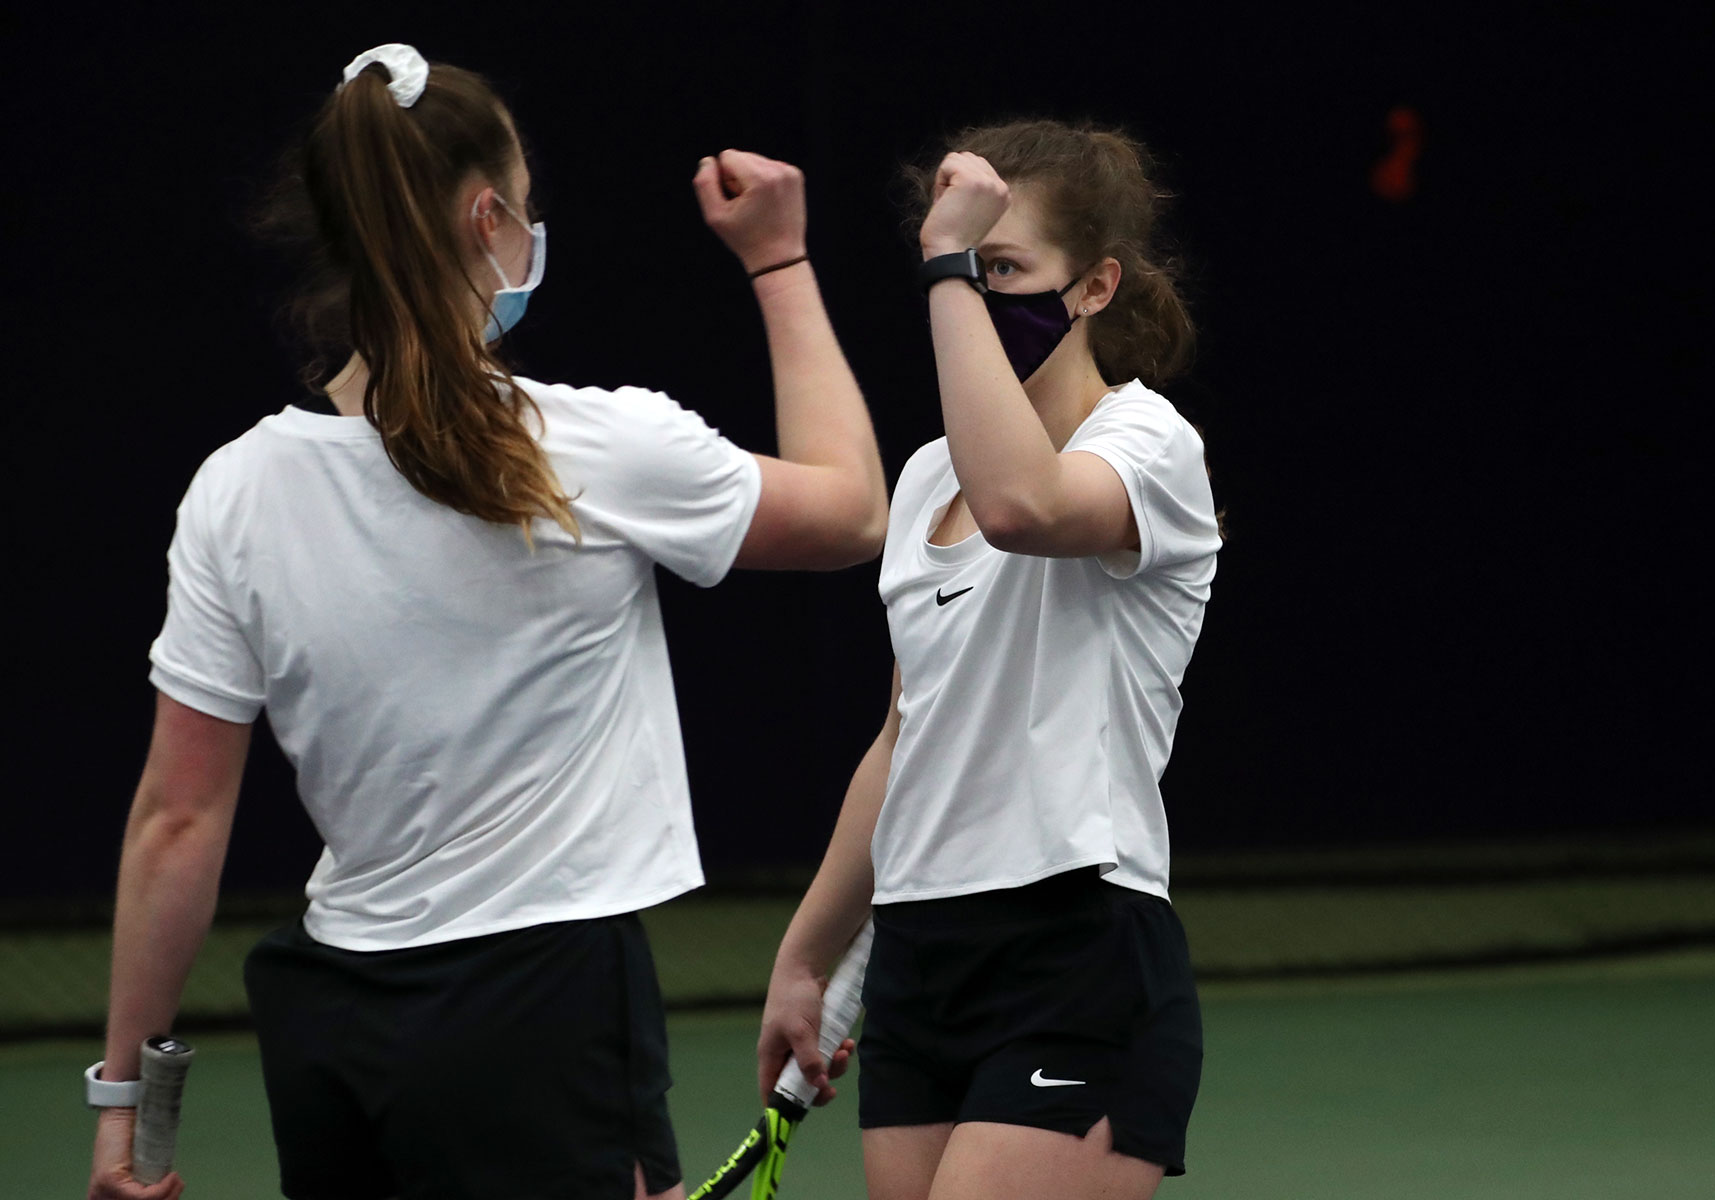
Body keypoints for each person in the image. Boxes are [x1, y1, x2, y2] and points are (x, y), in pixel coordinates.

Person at [86, 44, 883, 1200]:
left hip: (331, 1030)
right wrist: (779, 259)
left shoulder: (234, 491)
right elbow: (854, 510)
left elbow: (175, 820)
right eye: (526, 203)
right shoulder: (593, 447)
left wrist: (122, 1111)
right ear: (487, 218)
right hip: (546, 1013)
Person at [759, 119, 1221, 1200]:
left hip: (1078, 946)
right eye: (965, 265)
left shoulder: (1148, 446)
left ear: (1096, 286)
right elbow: (903, 739)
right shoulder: (926, 478)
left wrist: (942, 263)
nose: (973, 290)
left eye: (1000, 267)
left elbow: (1023, 506)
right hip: (921, 962)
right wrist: (806, 957)